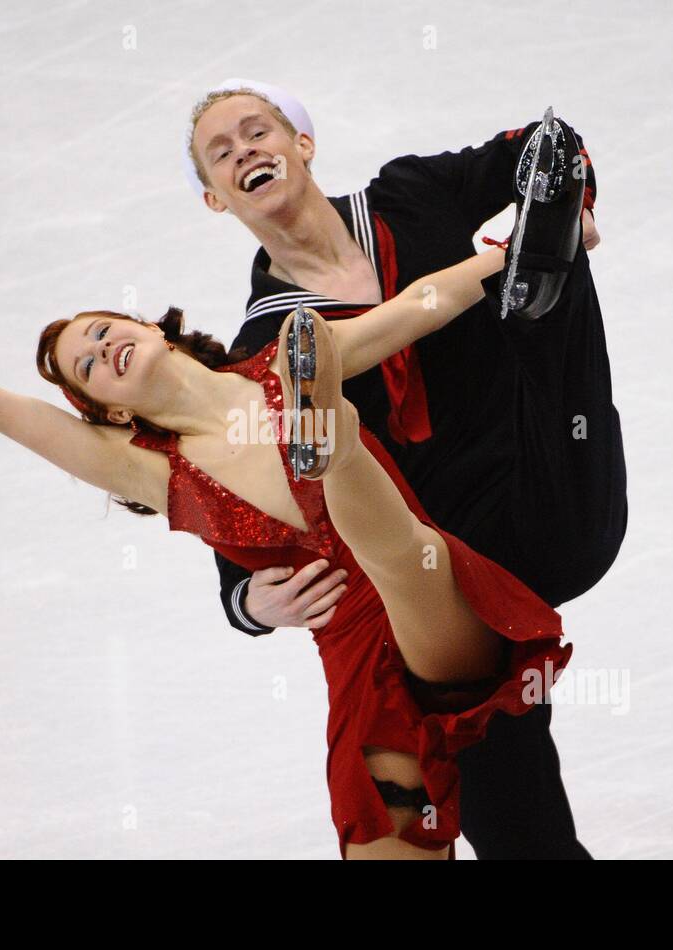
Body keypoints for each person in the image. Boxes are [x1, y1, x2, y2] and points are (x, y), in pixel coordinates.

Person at [0, 235, 570, 859]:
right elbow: (0, 409)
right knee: (387, 840)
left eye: (104, 330)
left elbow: (422, 304)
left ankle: (333, 436)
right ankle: (329, 434)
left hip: (429, 596)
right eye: (87, 367)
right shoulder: (151, 470)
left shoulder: (282, 360)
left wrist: (529, 247)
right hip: (358, 665)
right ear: (106, 412)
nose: (101, 349)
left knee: (400, 556)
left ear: (149, 325)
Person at [185, 83, 627, 859]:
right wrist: (243, 596)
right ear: (216, 200)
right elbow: (243, 478)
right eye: (222, 154)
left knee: (546, 274)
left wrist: (573, 197)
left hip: (554, 478)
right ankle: (528, 272)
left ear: (303, 146)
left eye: (259, 132)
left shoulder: (411, 193)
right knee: (520, 826)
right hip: (462, 570)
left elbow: (539, 140)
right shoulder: (266, 348)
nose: (245, 151)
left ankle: (541, 267)